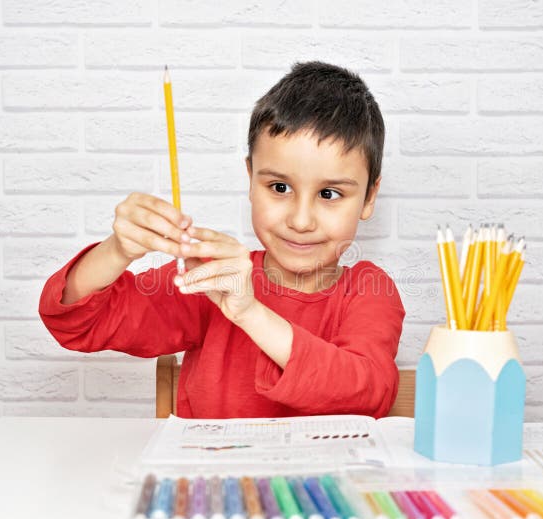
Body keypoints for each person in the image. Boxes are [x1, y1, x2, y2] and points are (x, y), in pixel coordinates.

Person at [38, 61, 405, 418]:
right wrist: (117, 251)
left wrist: (251, 314)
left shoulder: (369, 291)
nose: (301, 220)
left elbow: (367, 394)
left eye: (329, 194)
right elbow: (76, 322)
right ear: (250, 179)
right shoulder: (214, 279)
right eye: (279, 187)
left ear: (369, 198)